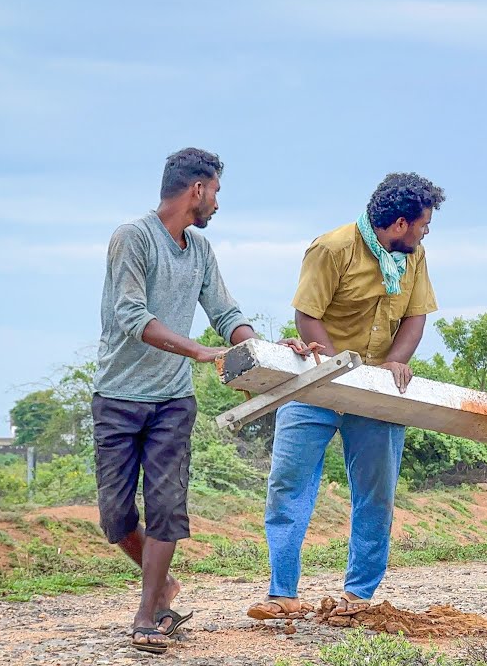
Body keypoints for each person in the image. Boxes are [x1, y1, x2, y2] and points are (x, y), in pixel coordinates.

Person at [92, 148, 308, 654]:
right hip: (118, 397)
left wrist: (265, 349)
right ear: (198, 189)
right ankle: (162, 585)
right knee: (115, 517)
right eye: (215, 193)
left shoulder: (201, 251)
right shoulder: (134, 238)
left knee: (166, 507)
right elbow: (131, 315)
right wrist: (198, 351)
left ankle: (149, 614)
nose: (216, 204)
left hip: (171, 401)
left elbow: (224, 311)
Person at [247, 172, 444, 622]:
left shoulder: (415, 257)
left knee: (376, 492)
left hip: (377, 394)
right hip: (315, 384)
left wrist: (396, 360)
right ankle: (282, 594)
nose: (426, 232)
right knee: (288, 484)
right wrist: (338, 372)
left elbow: (415, 317)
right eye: (423, 224)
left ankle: (358, 595)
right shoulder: (332, 248)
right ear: (398, 224)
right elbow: (308, 314)